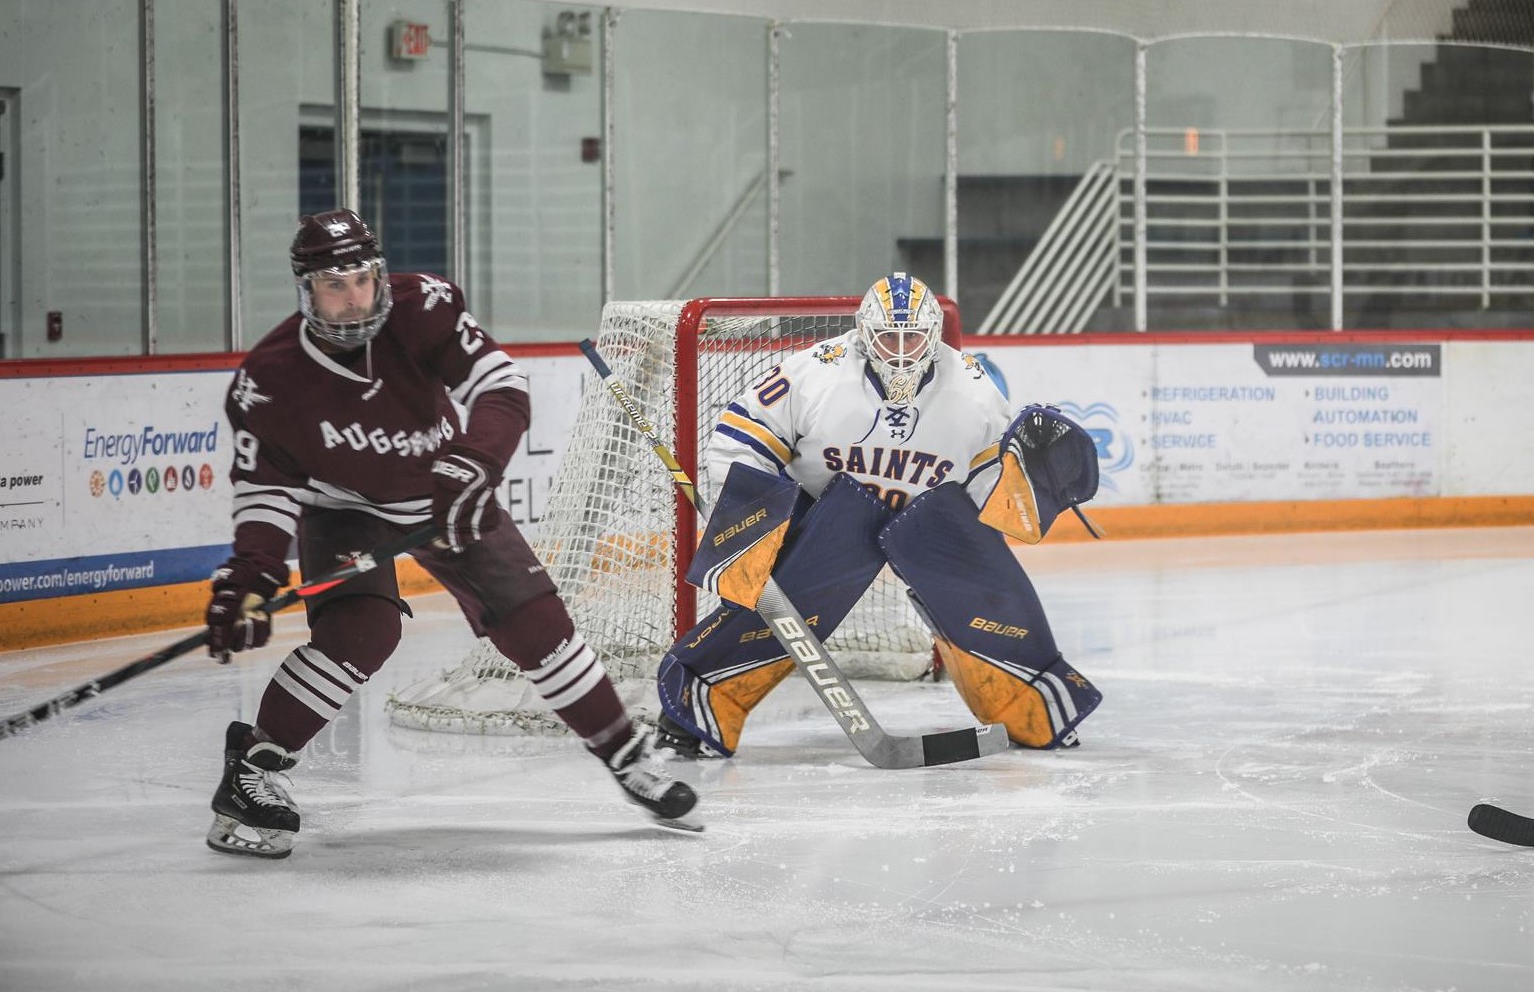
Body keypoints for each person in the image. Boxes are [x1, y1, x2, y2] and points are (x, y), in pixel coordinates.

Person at [203, 209, 699, 859]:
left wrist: (475, 459)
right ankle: (254, 768)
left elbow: (501, 382)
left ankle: (628, 756)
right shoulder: (268, 381)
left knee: (538, 622)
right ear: (306, 291)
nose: (355, 299)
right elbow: (265, 492)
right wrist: (253, 572)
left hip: (446, 492)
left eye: (362, 278)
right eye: (335, 285)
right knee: (361, 633)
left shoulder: (420, 308)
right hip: (344, 508)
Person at [648, 273, 1103, 759]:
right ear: (865, 334)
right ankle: (698, 710)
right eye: (890, 337)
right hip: (829, 513)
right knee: (785, 605)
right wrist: (752, 519)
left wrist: (1029, 483)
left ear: (933, 335)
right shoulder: (813, 372)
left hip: (931, 517)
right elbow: (742, 440)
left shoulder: (974, 391)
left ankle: (1031, 707)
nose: (902, 351)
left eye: (913, 337)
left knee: (991, 598)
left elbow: (988, 492)